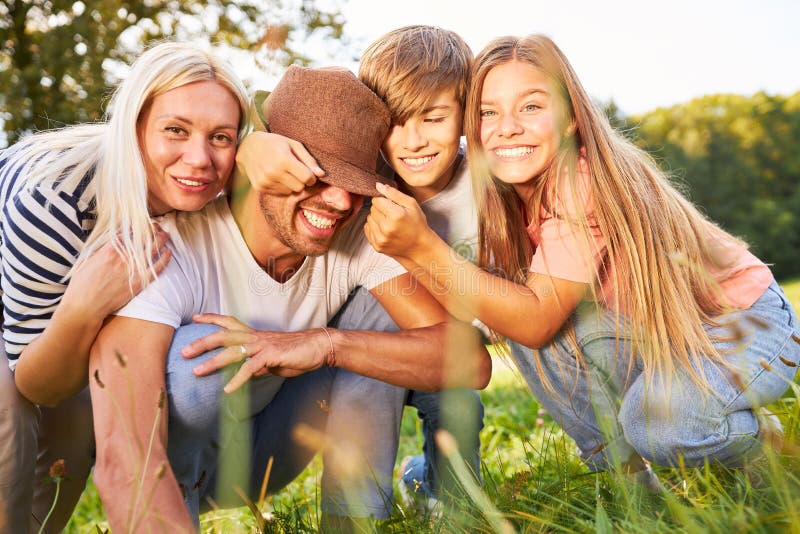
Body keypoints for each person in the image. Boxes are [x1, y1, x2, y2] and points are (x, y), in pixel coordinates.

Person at [365, 34, 800, 483]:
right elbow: (504, 317)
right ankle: (628, 481)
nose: (507, 126)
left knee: (662, 427)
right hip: (650, 330)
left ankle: (763, 450)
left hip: (742, 321)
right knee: (515, 305)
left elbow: (533, 320)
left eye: (531, 107)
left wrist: (418, 249)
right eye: (488, 113)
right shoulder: (503, 191)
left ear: (572, 118)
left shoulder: (583, 178)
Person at [88, 65, 492, 532]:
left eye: (356, 186)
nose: (340, 202)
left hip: (274, 448)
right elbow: (125, 456)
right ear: (266, 167)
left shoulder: (358, 236)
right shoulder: (168, 247)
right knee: (197, 355)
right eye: (315, 177)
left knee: (375, 314)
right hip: (179, 460)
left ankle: (352, 523)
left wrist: (326, 343)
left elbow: (471, 362)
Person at [0, 41, 252, 532]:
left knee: (72, 434)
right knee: (9, 418)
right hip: (14, 282)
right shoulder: (57, 201)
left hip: (49, 312)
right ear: (134, 128)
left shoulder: (206, 195)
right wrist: (83, 309)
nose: (199, 158)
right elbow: (33, 382)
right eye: (175, 130)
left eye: (221, 137)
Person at [237, 25, 485, 518]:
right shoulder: (360, 172)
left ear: (464, 116)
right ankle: (354, 513)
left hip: (451, 342)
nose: (412, 140)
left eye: (433, 118)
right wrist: (249, 144)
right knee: (376, 315)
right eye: (393, 123)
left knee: (453, 391)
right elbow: (284, 105)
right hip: (352, 357)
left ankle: (453, 502)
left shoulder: (486, 181)